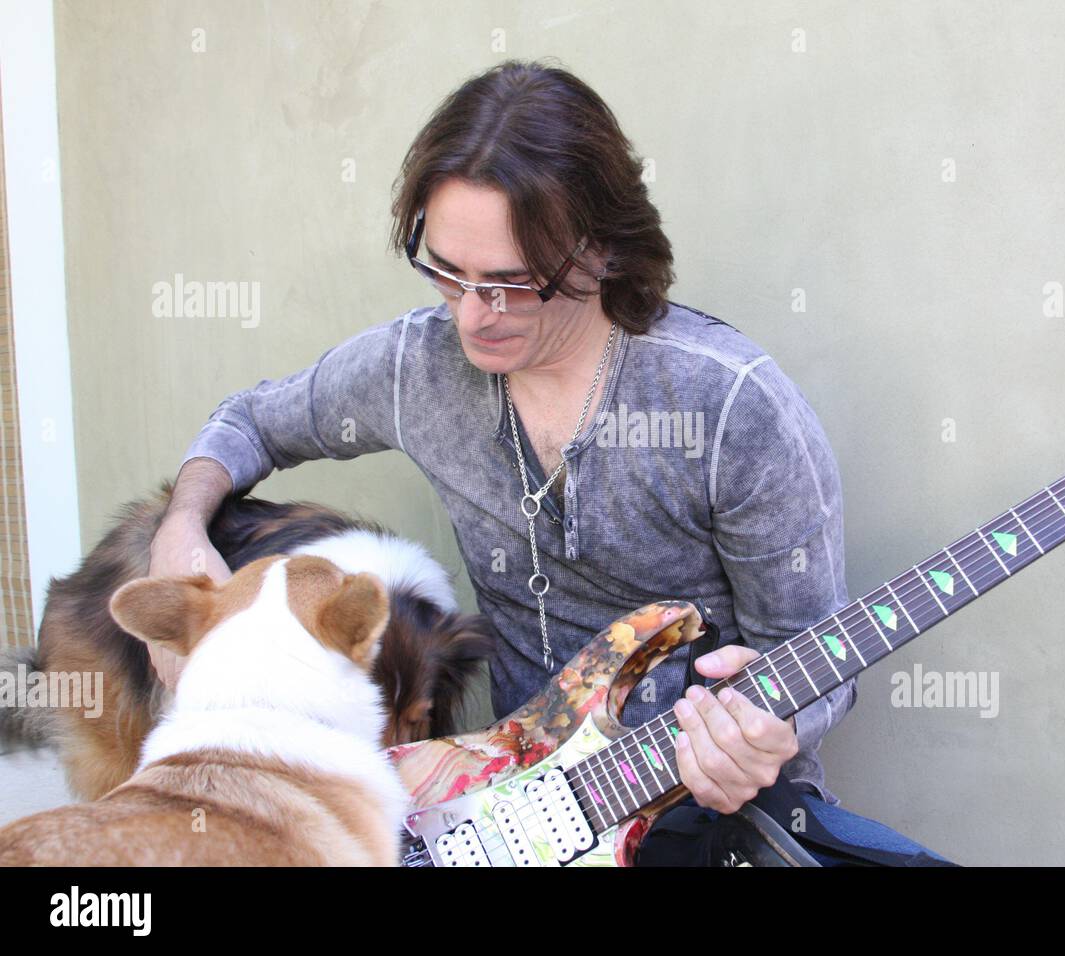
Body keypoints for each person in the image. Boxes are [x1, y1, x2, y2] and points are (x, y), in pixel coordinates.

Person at [149, 58, 952, 867]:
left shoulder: (734, 407)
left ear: (602, 250)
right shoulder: (414, 368)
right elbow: (246, 422)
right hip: (507, 819)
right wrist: (181, 527)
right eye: (448, 274)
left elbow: (822, 661)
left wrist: (765, 727)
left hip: (708, 810)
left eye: (510, 283)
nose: (472, 315)